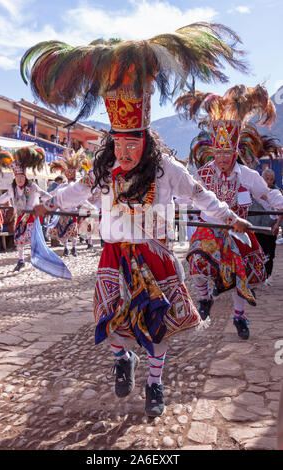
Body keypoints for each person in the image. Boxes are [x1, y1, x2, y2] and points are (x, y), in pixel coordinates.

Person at [24, 21, 249, 417]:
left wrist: (230, 217)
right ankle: (123, 360)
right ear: (112, 140)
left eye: (133, 144)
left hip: (155, 256)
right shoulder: (104, 169)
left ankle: (155, 385)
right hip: (113, 256)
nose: (125, 152)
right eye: (120, 143)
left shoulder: (166, 170)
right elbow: (76, 192)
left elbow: (200, 194)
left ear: (146, 140)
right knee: (111, 321)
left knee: (158, 328)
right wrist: (47, 201)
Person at [175, 84, 283, 340]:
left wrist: (280, 206)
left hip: (239, 231)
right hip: (209, 229)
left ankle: (239, 315)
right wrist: (166, 207)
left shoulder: (247, 174)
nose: (222, 158)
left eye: (227, 153)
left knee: (239, 274)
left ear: (236, 151)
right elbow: (184, 196)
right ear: (213, 151)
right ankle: (203, 298)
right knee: (197, 260)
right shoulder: (202, 174)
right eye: (218, 153)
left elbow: (267, 195)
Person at [0, 147, 50, 271]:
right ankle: (21, 260)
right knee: (19, 239)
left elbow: (45, 195)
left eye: (22, 177)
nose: (19, 180)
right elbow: (5, 197)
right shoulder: (12, 188)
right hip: (20, 217)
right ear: (15, 178)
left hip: (31, 217)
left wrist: (53, 202)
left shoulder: (32, 186)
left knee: (33, 238)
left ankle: (39, 257)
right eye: (17, 178)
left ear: (25, 177)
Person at [47, 149, 86, 257]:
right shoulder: (62, 186)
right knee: (62, 232)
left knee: (73, 232)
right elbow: (53, 194)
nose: (71, 180)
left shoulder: (77, 187)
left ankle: (74, 248)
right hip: (63, 213)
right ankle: (66, 248)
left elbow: (83, 198)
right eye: (70, 178)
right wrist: (44, 199)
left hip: (73, 213)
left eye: (72, 178)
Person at [248, 168, 283, 285]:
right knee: (255, 253)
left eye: (271, 179)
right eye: (266, 179)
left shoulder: (276, 192)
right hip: (255, 227)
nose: (269, 181)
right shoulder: (254, 192)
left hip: (269, 229)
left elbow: (280, 211)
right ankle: (256, 276)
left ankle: (268, 276)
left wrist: (277, 225)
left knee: (269, 254)